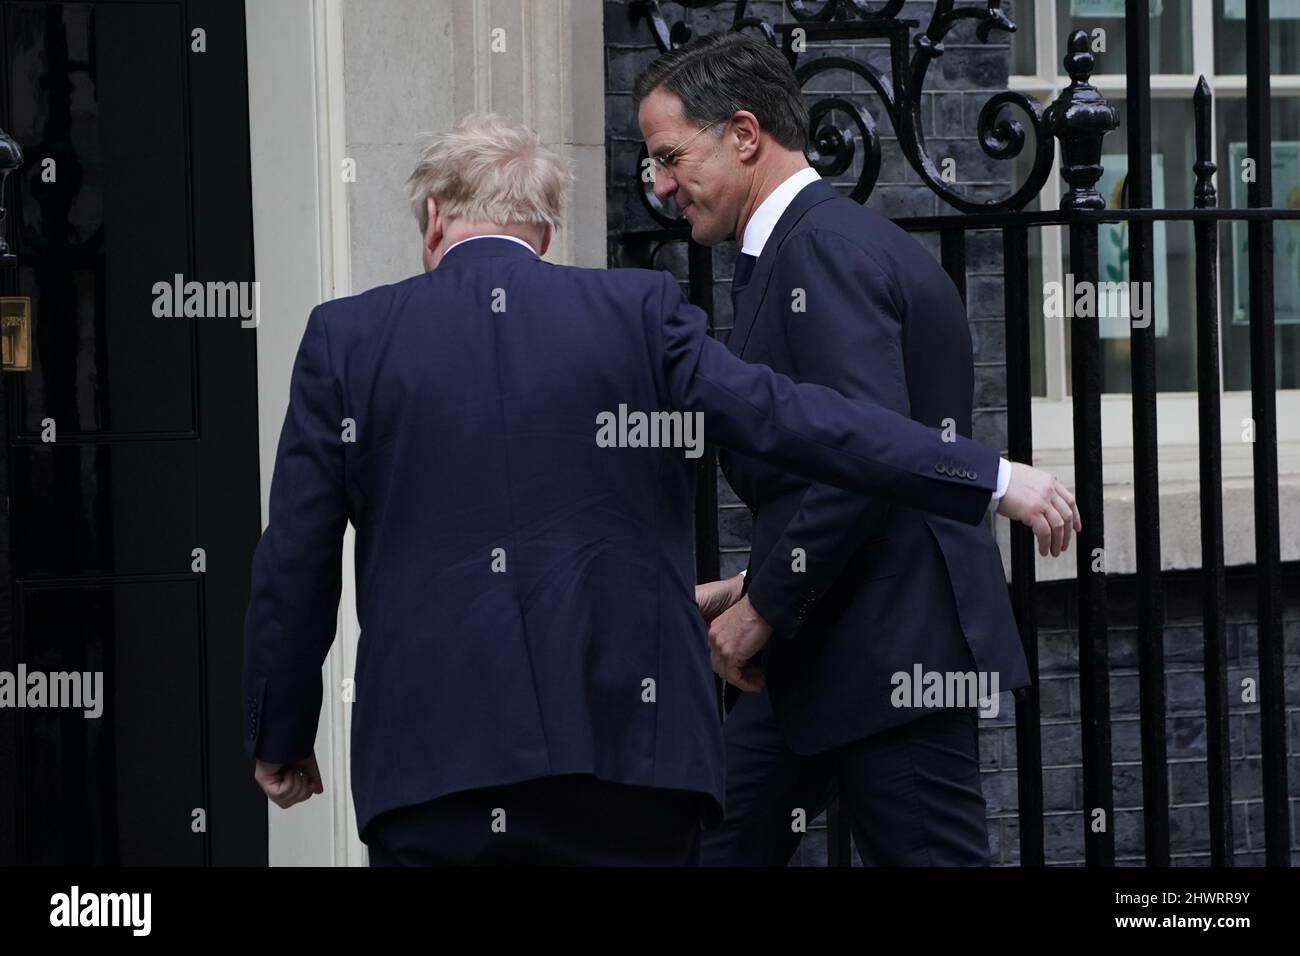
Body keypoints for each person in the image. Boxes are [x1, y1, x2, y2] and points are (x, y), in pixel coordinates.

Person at [242, 113, 1079, 866]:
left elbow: (296, 559)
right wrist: (986, 475)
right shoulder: (634, 310)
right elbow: (799, 420)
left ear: (433, 217)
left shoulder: (345, 339)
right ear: (543, 226)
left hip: (437, 769)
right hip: (630, 768)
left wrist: (282, 732)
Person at [635, 32, 1054, 865]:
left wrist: (763, 608)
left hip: (892, 651)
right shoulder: (814, 245)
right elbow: (838, 460)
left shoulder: (818, 251)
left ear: (744, 134)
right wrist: (755, 586)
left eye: (671, 157)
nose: (660, 186)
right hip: (834, 639)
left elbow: (863, 453)